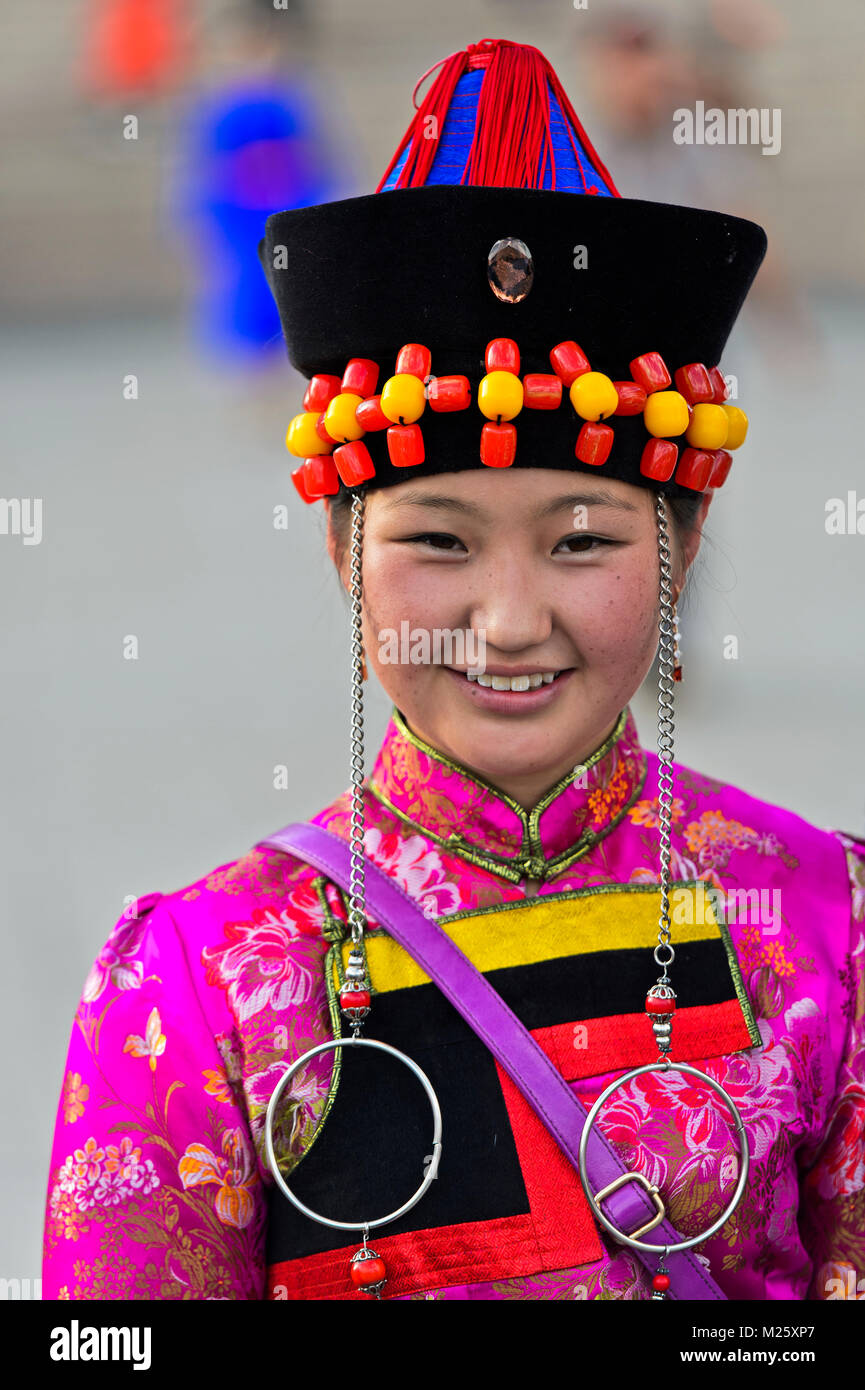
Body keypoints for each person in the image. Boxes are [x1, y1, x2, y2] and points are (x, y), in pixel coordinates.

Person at [42, 37, 864, 1302]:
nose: (507, 617)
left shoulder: (829, 931)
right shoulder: (193, 984)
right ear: (337, 547)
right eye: (438, 540)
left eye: (579, 540)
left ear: (685, 541)